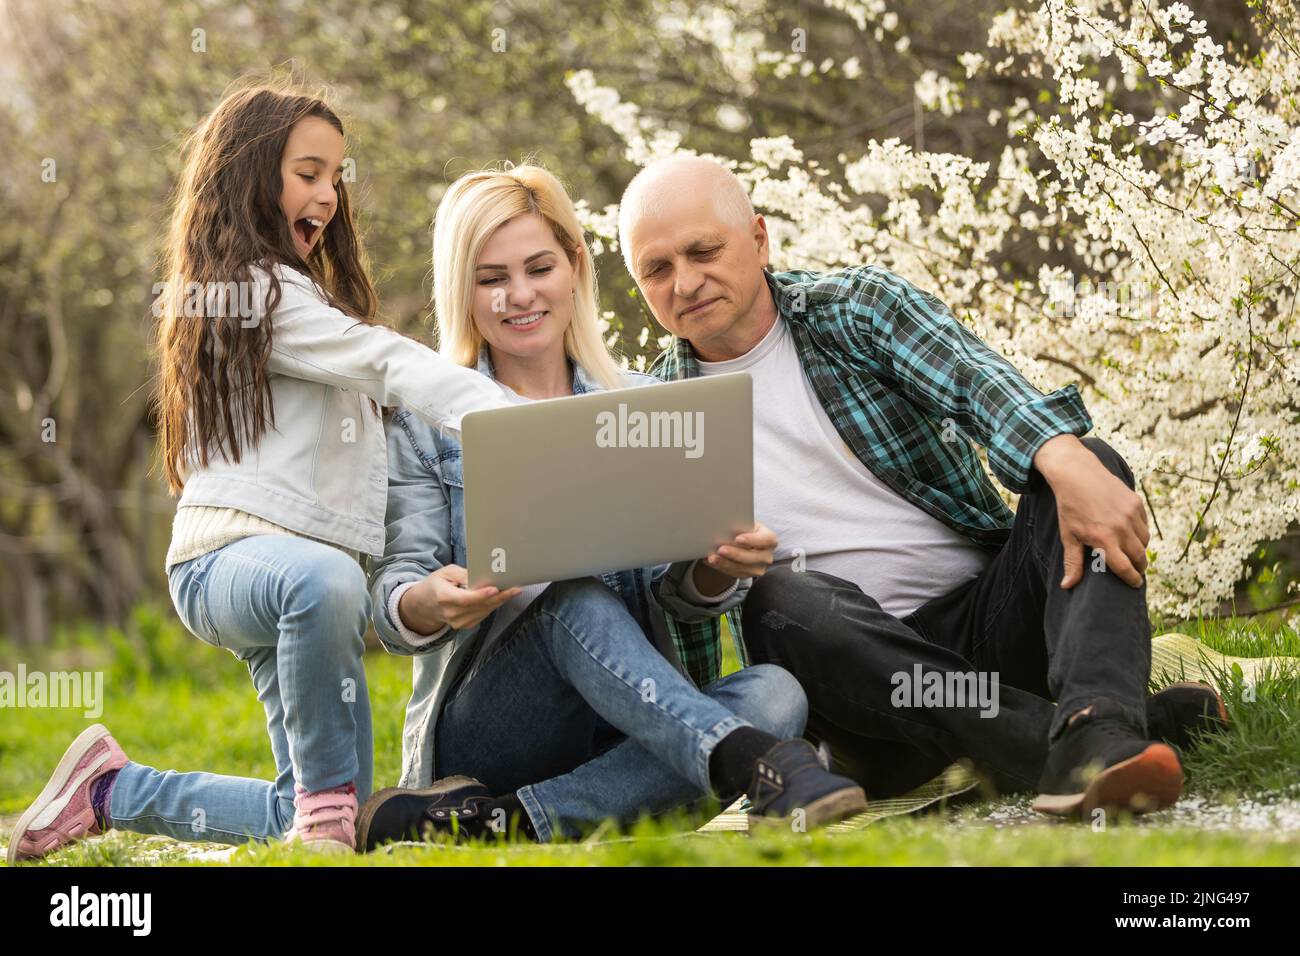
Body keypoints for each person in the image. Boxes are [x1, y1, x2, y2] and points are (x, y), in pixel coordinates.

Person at [618, 154, 1227, 819]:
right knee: (777, 595)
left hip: (988, 630)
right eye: (658, 269)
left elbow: (974, 382)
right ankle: (1071, 747)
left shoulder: (856, 310)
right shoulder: (656, 415)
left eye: (704, 251)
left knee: (1084, 463)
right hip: (859, 697)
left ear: (759, 239)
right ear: (639, 284)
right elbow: (677, 611)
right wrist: (709, 584)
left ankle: (1101, 724)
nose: (686, 281)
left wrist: (1064, 453)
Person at [8, 81, 512, 864]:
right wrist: (517, 422)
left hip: (310, 591)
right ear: (246, 174)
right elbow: (389, 362)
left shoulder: (303, 301)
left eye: (337, 177)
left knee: (331, 814)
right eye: (308, 172)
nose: (329, 195)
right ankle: (319, 817)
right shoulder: (253, 292)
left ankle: (109, 790)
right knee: (325, 588)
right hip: (231, 567)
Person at [357, 164, 867, 847]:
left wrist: (716, 568)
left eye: (538, 268)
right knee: (575, 599)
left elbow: (680, 599)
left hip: (630, 722)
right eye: (491, 279)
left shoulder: (640, 402)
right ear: (464, 290)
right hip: (492, 728)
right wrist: (428, 600)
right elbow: (393, 602)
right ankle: (754, 765)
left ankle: (500, 823)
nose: (519, 296)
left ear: (573, 267)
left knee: (776, 695)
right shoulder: (423, 423)